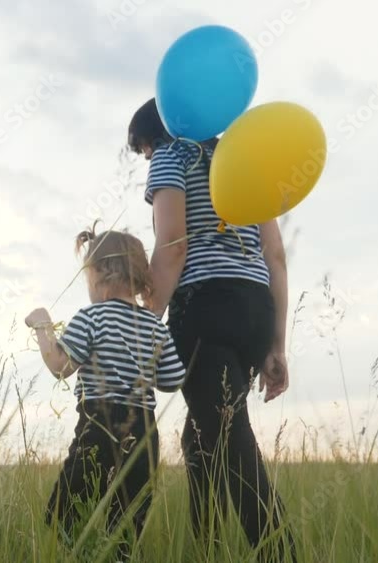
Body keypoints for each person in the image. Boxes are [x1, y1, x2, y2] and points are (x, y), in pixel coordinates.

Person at [127, 97, 296, 561]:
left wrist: (143, 329)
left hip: (204, 306)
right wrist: (276, 344)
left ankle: (282, 553)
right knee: (201, 438)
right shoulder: (242, 156)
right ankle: (206, 549)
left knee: (232, 443)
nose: (146, 158)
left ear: (153, 134)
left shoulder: (171, 155)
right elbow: (275, 257)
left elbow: (173, 246)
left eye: (142, 150)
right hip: (254, 309)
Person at [26, 225, 186, 560]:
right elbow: (172, 380)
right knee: (126, 528)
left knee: (62, 516)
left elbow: (60, 366)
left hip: (97, 428)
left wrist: (43, 326)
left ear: (100, 273)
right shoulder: (155, 327)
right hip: (143, 433)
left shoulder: (92, 318)